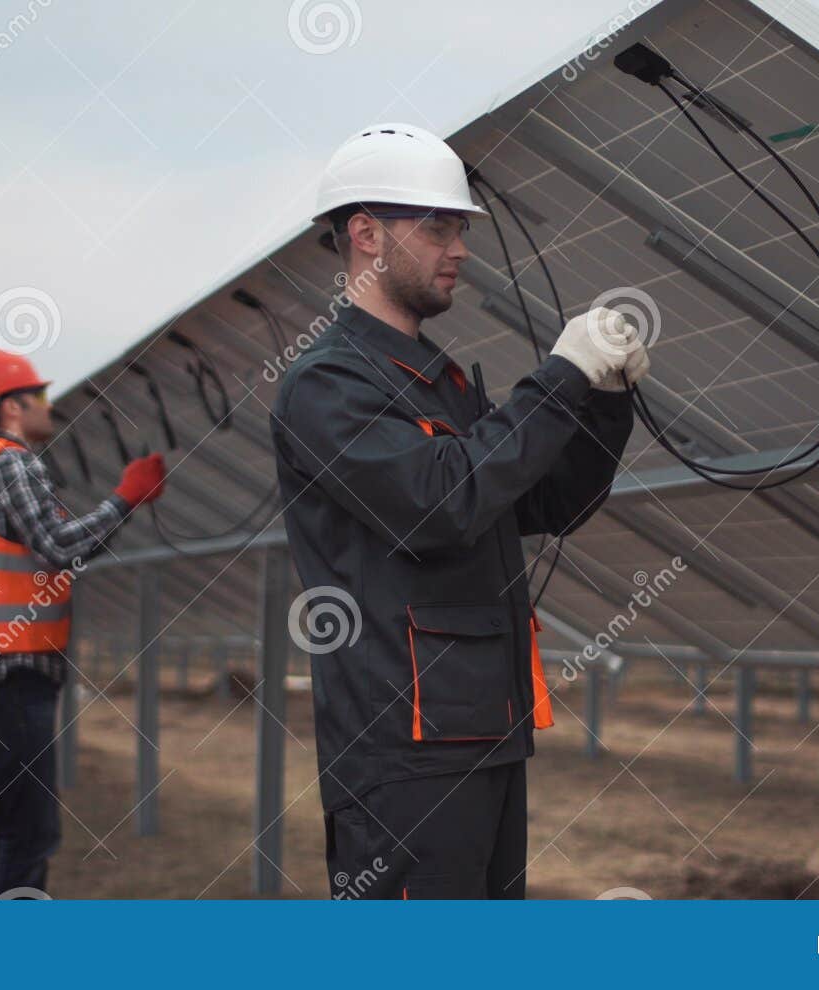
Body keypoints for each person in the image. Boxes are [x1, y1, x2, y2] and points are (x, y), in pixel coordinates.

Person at [270, 123, 651, 899]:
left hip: (484, 726)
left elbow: (542, 501)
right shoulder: (325, 384)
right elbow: (439, 503)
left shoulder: (437, 380)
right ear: (367, 235)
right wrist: (557, 376)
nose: (460, 247)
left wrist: (603, 401)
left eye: (460, 228)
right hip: (402, 746)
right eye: (438, 225)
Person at [0, 348, 166, 898]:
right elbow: (61, 546)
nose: (48, 403)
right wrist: (126, 498)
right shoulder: (10, 463)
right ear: (11, 407)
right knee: (31, 829)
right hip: (9, 673)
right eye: (38, 395)